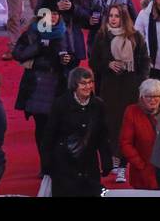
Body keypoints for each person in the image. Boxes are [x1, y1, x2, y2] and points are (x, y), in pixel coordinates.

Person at [88, 4, 149, 183]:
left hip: (130, 86)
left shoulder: (135, 36)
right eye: (111, 16)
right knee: (111, 125)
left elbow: (144, 61)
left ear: (124, 18)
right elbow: (93, 62)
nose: (113, 19)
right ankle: (115, 159)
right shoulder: (102, 37)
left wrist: (141, 81)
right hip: (109, 87)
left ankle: (122, 165)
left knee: (127, 126)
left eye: (117, 16)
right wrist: (107, 64)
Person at [12, 5, 74, 176]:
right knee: (42, 129)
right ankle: (46, 165)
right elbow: (18, 53)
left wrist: (68, 59)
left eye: (56, 14)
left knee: (59, 128)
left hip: (59, 86)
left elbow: (74, 56)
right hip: (38, 87)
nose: (53, 17)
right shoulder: (32, 32)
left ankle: (57, 163)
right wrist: (39, 47)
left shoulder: (64, 32)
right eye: (49, 14)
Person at [43, 67, 112, 196]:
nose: (88, 86)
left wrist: (106, 159)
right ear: (74, 85)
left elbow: (103, 134)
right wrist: (47, 162)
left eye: (90, 82)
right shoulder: (60, 104)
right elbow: (49, 134)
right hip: (64, 164)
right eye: (83, 83)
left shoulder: (98, 105)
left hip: (89, 163)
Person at [118, 79, 160, 190]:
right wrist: (140, 165)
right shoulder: (132, 111)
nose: (153, 100)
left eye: (156, 96)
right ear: (141, 97)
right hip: (144, 173)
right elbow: (125, 143)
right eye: (148, 96)